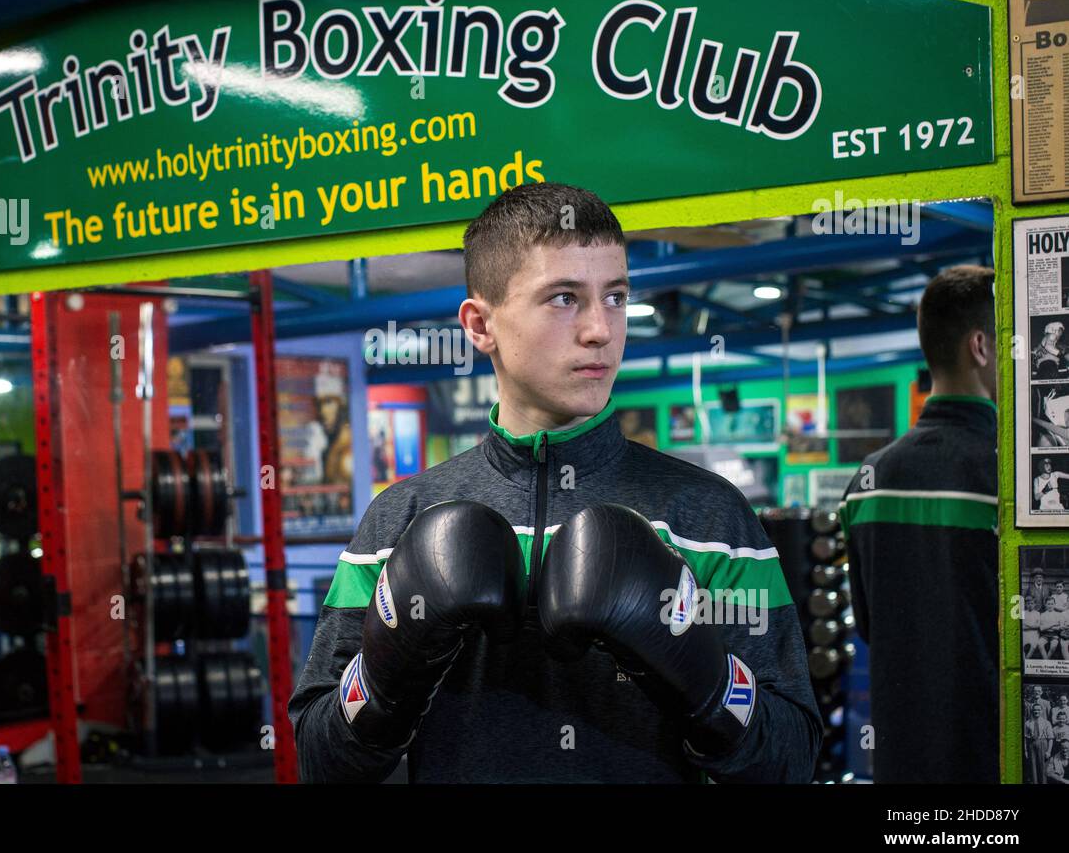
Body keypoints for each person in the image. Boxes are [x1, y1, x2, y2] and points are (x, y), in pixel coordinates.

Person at [288, 182, 821, 782]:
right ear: (480, 324)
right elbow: (321, 757)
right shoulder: (401, 517)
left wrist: (702, 674)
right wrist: (388, 676)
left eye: (615, 297)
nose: (600, 329)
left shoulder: (707, 514)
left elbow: (790, 758)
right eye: (564, 298)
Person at [838, 265, 998, 782]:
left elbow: (869, 626)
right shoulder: (1014, 478)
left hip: (899, 764)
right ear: (981, 346)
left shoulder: (868, 481)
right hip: (996, 762)